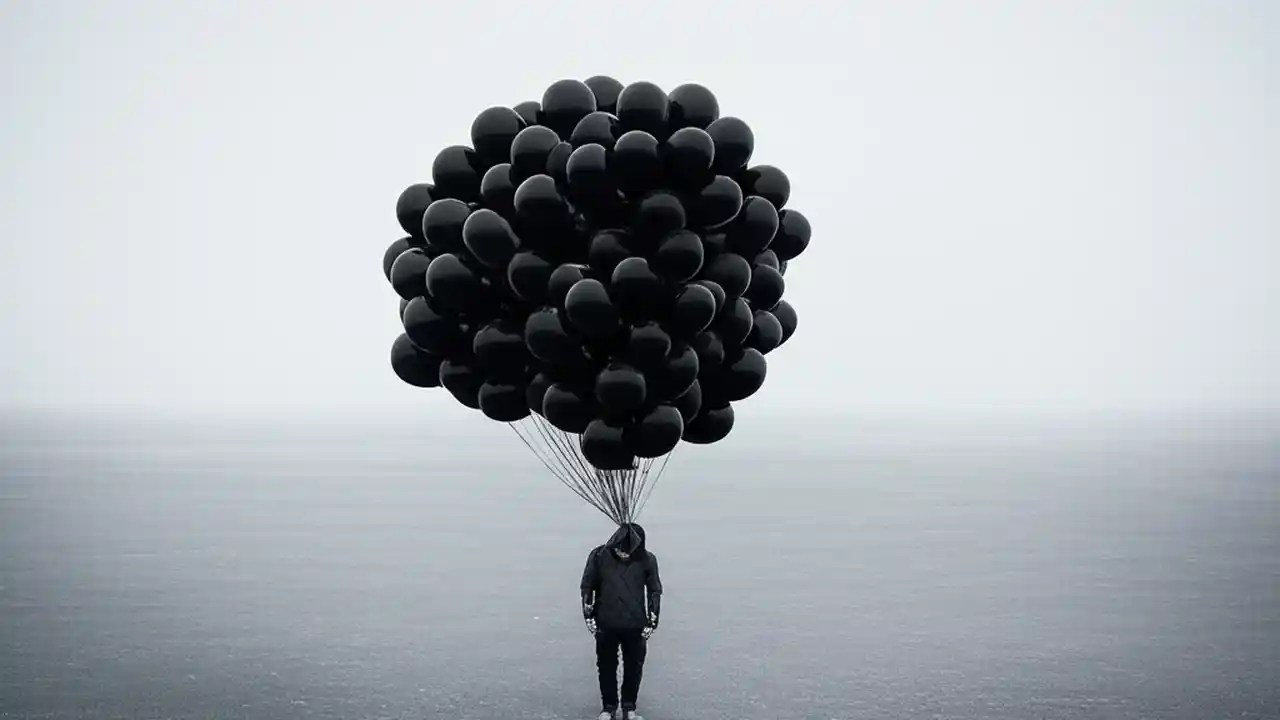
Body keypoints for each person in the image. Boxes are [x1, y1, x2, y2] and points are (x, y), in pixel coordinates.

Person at [580, 522, 661, 720]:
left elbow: (654, 590)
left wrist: (653, 618)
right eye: (619, 549)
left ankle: (629, 706)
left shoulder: (647, 560)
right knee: (606, 665)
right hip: (606, 622)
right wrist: (588, 614)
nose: (623, 554)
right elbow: (587, 586)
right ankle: (608, 707)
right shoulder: (598, 556)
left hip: (635, 624)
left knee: (634, 666)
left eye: (627, 551)